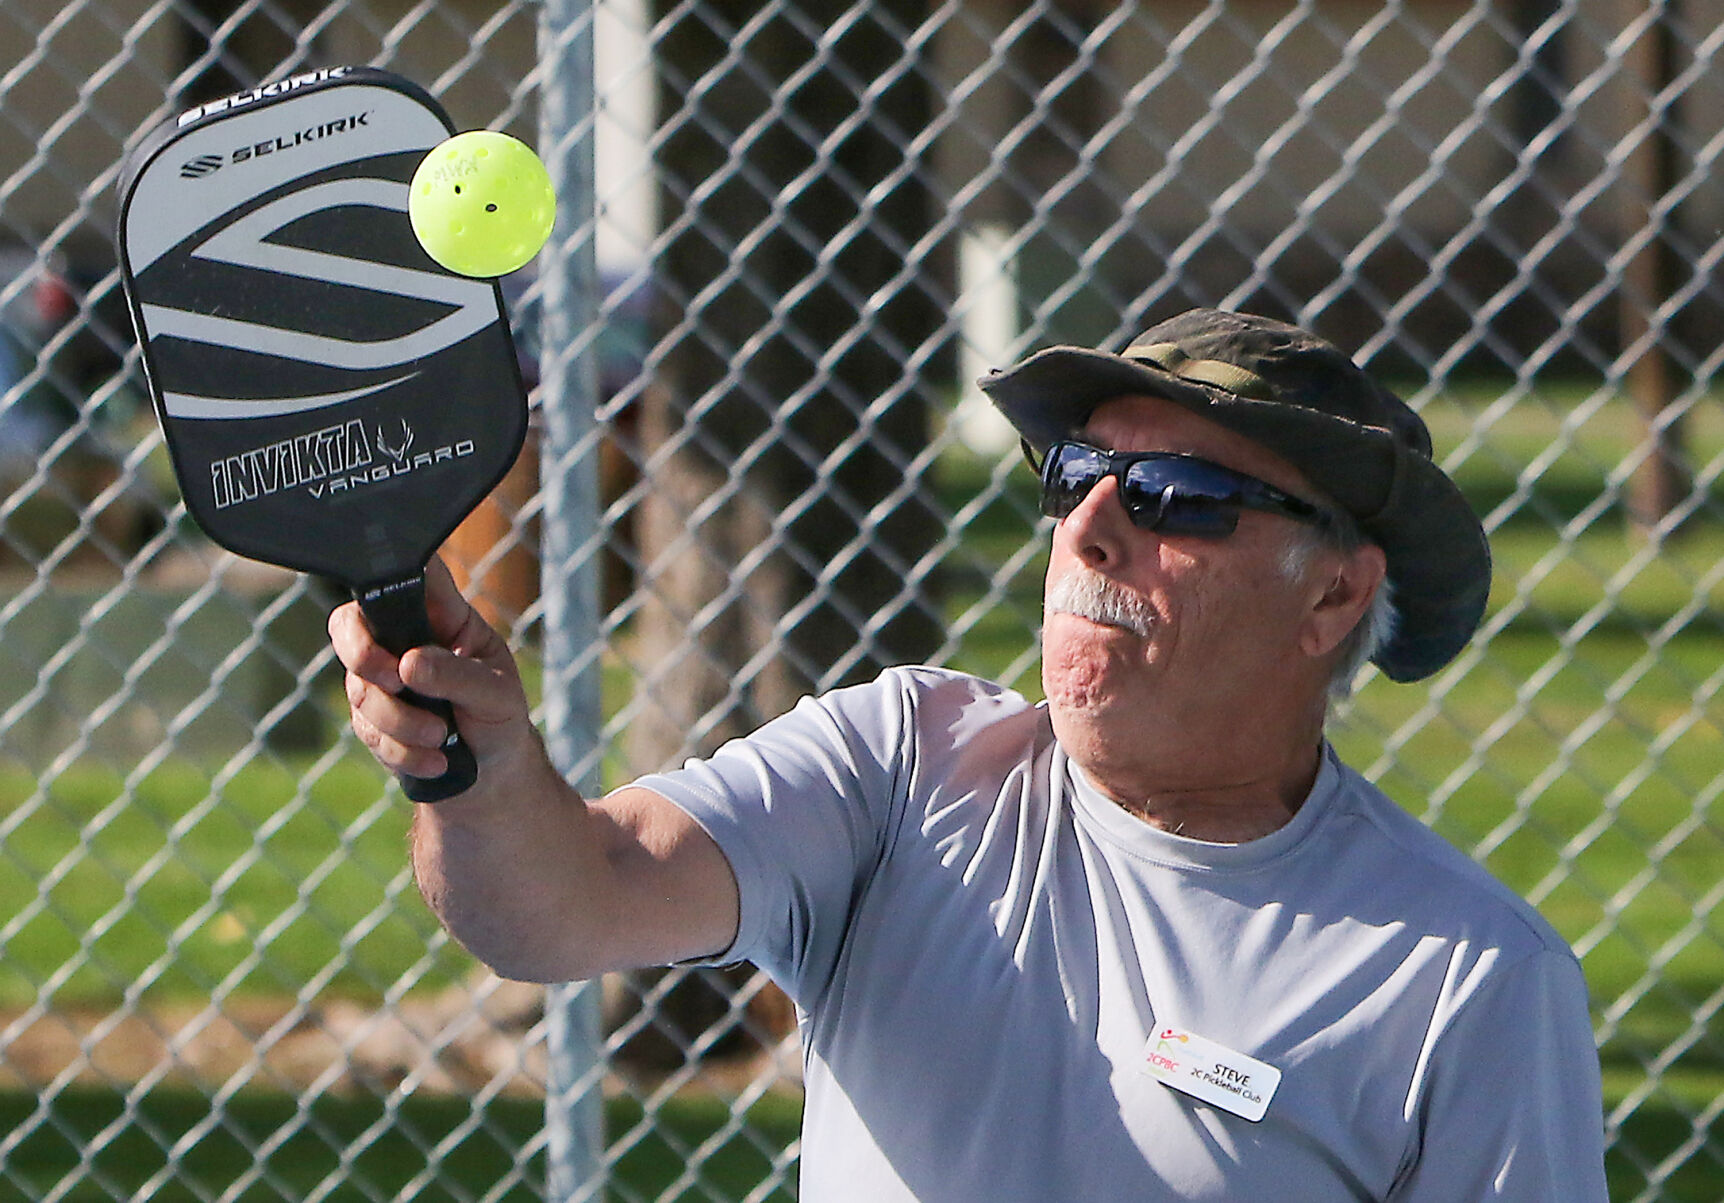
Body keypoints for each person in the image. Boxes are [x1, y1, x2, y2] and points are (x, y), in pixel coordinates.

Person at [330, 307, 1608, 1200]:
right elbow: (564, 905)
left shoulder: (1467, 982)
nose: (1088, 529)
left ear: (1331, 597)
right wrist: (478, 767)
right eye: (1075, 475)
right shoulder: (899, 763)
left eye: (1176, 498)